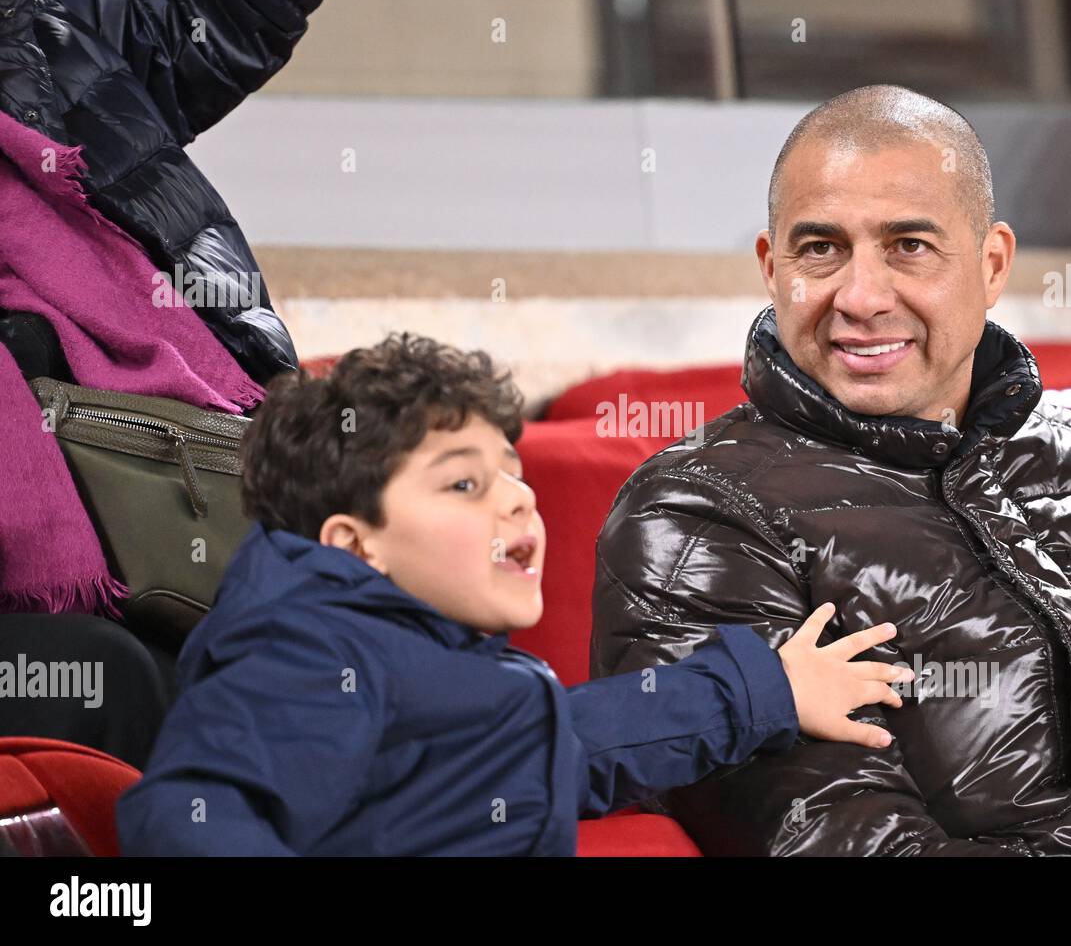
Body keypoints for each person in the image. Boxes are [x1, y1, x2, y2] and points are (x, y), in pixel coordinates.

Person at [590, 84, 1071, 856]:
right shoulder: (695, 517)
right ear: (772, 268)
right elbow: (844, 839)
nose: (860, 297)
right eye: (820, 248)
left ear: (993, 265)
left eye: (909, 247)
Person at [115, 335, 911, 855]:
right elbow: (189, 811)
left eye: (514, 474)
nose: (517, 501)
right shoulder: (312, 649)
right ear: (355, 546)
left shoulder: (440, 673)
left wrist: (766, 687)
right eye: (465, 482)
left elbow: (577, 742)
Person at [0, 0, 326, 766]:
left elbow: (226, 16)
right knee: (97, 680)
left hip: (154, 548)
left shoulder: (34, 28)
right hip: (68, 611)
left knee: (261, 672)